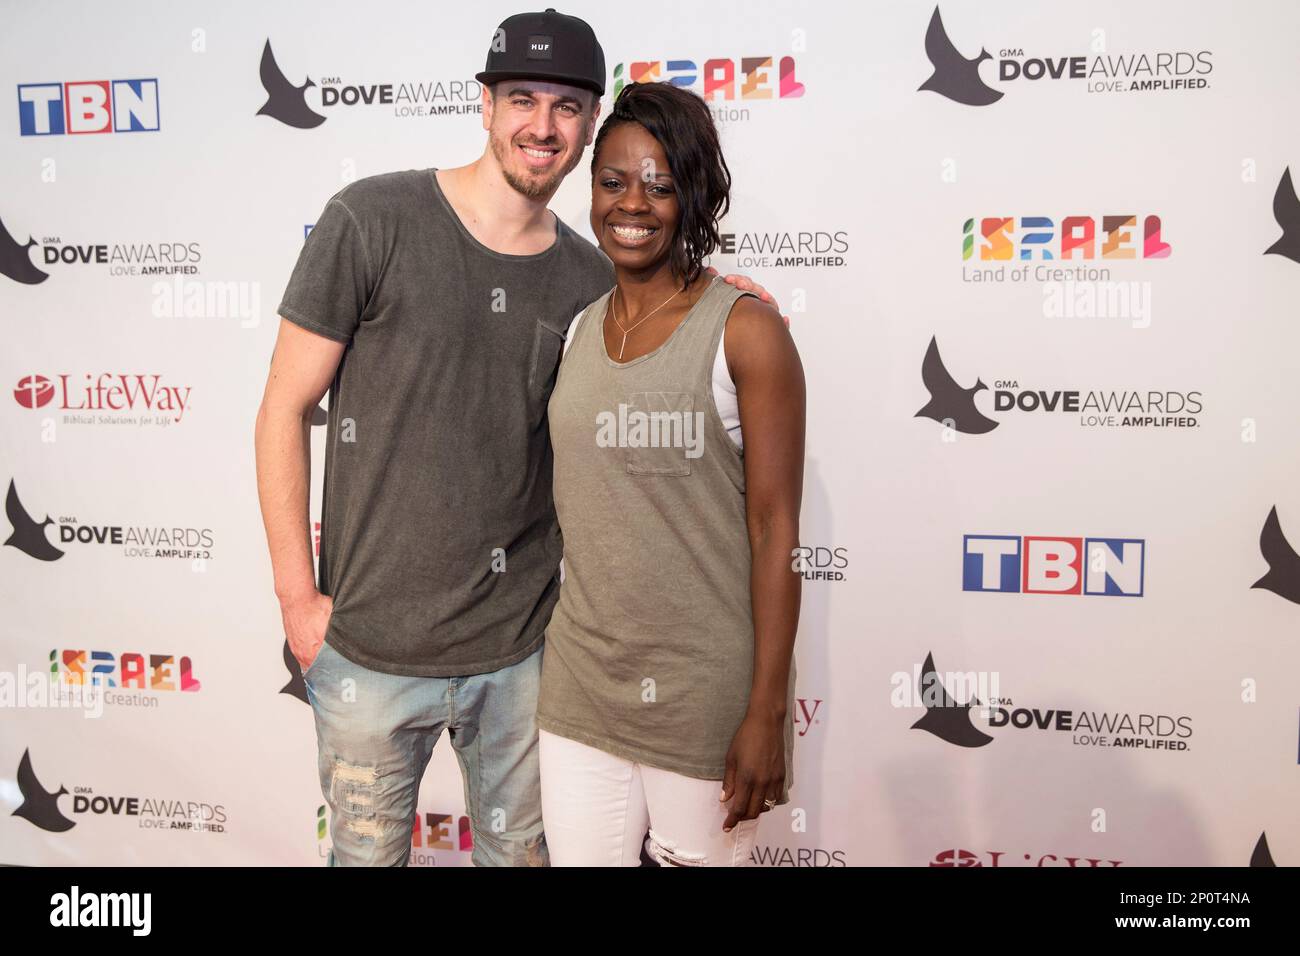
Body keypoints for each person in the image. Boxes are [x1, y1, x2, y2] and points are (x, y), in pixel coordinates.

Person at [253, 10, 776, 866]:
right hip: (369, 651)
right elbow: (282, 409)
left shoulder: (589, 278)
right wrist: (297, 603)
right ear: (486, 106)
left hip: (527, 661)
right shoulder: (370, 219)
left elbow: (667, 304)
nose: (543, 126)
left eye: (567, 107)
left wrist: (723, 294)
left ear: (588, 126)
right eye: (522, 99)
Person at [537, 81, 805, 867]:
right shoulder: (579, 328)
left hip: (704, 700)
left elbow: (775, 529)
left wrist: (765, 710)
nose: (634, 204)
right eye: (613, 181)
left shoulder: (747, 333)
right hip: (582, 688)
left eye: (660, 185)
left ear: (696, 195)